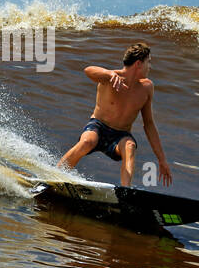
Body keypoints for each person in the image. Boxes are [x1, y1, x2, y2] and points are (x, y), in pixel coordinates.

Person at [58, 42, 173, 187]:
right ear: (138, 64)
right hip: (98, 127)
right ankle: (57, 175)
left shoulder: (147, 87)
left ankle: (125, 190)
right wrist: (109, 73)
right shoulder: (110, 77)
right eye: (148, 62)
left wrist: (162, 160)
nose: (150, 67)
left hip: (120, 135)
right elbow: (88, 70)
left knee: (130, 146)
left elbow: (149, 124)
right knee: (87, 142)